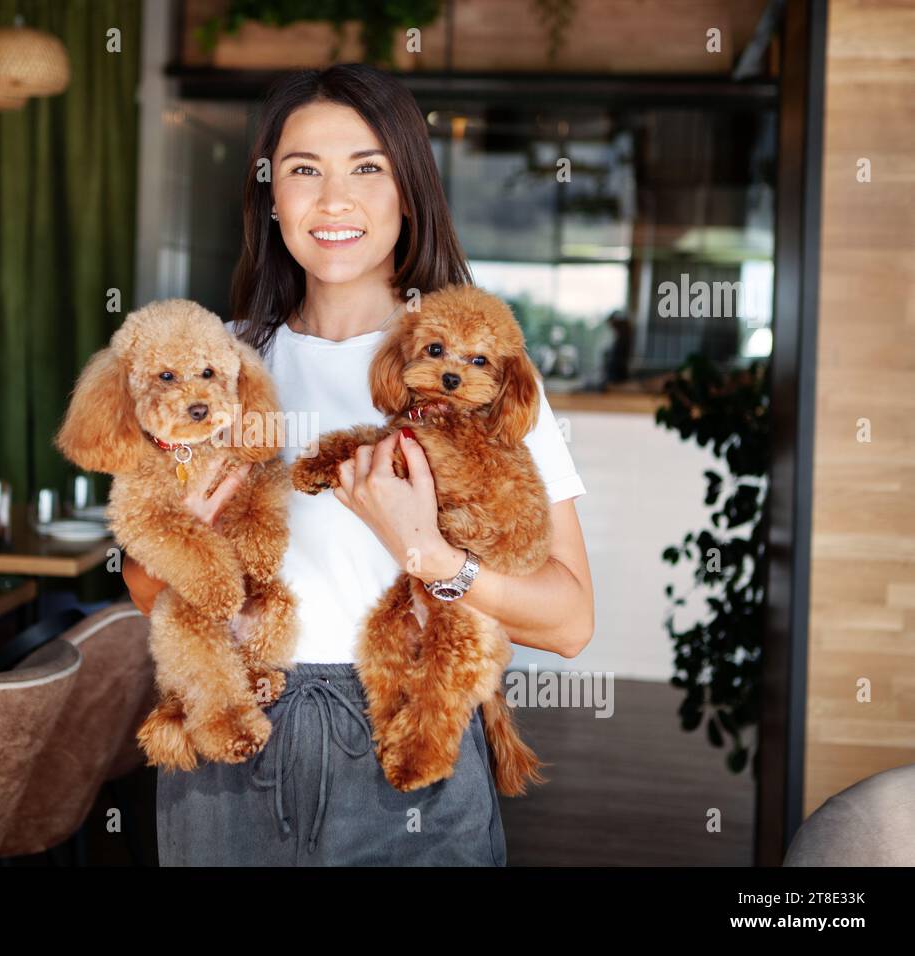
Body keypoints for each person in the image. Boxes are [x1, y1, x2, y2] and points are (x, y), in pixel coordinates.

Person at [123, 63, 593, 866]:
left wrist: (432, 557)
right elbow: (143, 590)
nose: (333, 201)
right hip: (235, 724)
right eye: (304, 170)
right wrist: (187, 543)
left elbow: (570, 622)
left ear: (408, 194)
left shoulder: (472, 372)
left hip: (404, 727)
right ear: (272, 198)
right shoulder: (213, 366)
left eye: (366, 169)